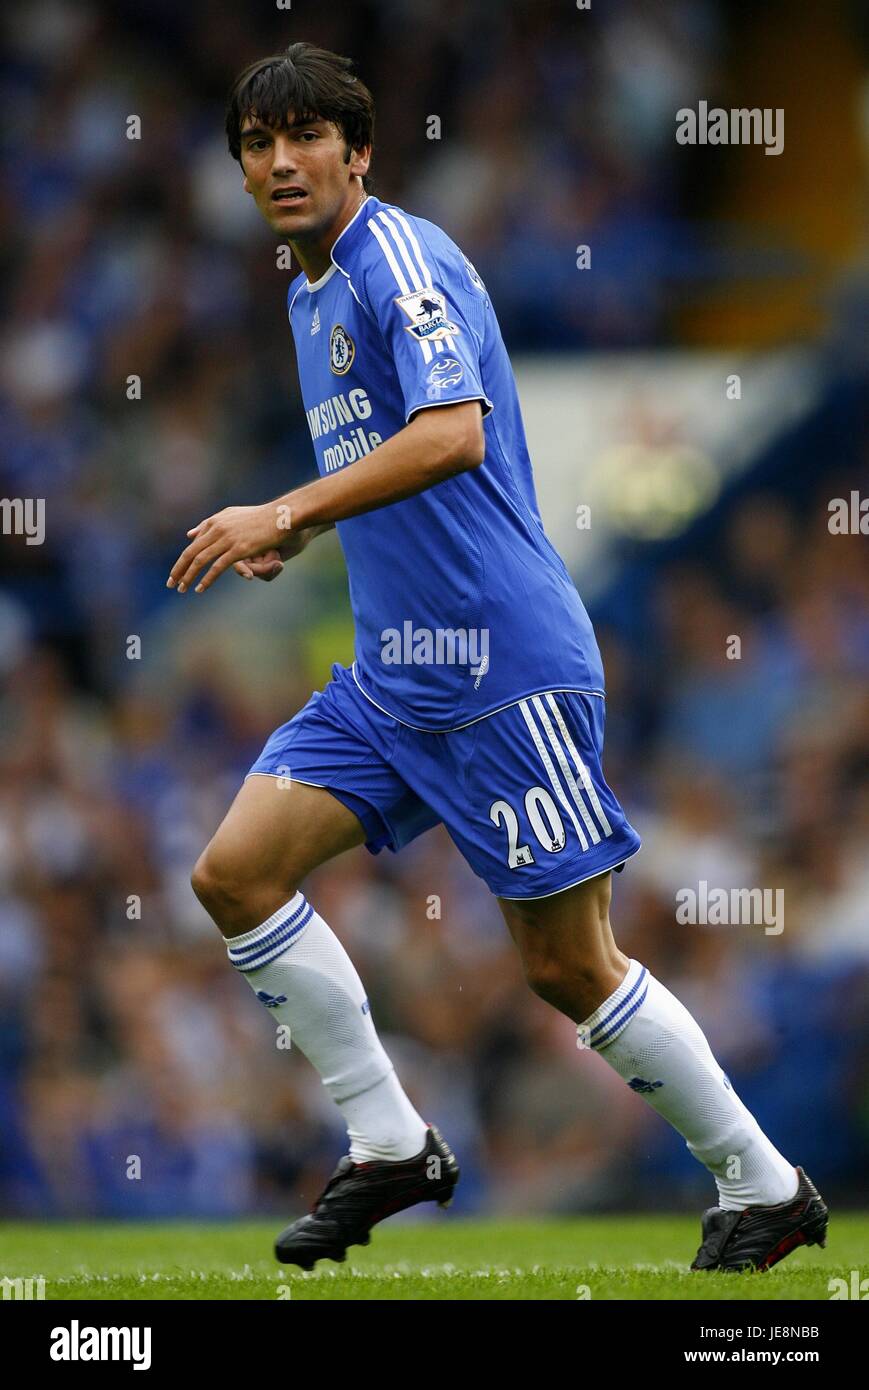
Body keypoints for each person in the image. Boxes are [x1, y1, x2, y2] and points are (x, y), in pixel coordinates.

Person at [168, 42, 827, 1273]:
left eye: (306, 136)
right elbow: (395, 474)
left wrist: (288, 513)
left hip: (500, 667)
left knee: (565, 963)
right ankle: (388, 1145)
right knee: (234, 873)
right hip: (392, 680)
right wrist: (308, 531)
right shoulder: (306, 291)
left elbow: (454, 435)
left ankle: (762, 1181)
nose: (280, 162)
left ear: (356, 151)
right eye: (258, 144)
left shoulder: (395, 259)